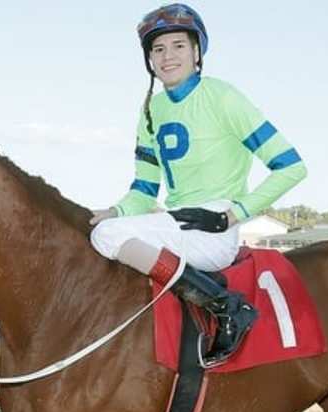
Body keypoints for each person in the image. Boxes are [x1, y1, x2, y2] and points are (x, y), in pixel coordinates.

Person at [89, 3, 307, 366]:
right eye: (158, 49)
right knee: (103, 229)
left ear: (196, 52)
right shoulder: (151, 110)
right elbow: (144, 189)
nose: (167, 56)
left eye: (178, 46)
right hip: (175, 223)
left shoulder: (223, 96)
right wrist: (114, 211)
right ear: (149, 59)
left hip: (213, 229)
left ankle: (226, 306)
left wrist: (232, 216)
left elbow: (291, 167)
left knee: (106, 236)